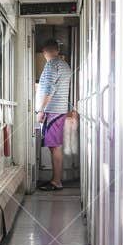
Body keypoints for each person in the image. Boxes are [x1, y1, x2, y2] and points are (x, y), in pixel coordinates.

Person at [36, 36, 72, 190]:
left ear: (44, 52)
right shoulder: (64, 65)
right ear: (57, 50)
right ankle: (55, 180)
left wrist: (41, 110)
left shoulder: (51, 65)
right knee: (54, 146)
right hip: (60, 109)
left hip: (53, 110)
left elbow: (49, 89)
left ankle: (56, 181)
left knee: (54, 146)